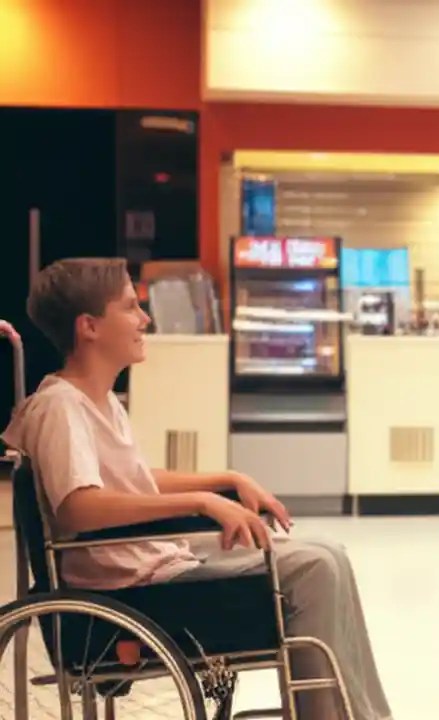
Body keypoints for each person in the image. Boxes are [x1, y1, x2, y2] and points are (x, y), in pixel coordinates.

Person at [0, 258, 393, 720]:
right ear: (89, 326)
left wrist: (226, 480)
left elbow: (136, 479)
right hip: (130, 589)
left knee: (329, 553)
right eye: (130, 307)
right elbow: (79, 509)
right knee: (312, 567)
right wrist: (203, 503)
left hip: (151, 570)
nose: (145, 318)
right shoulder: (61, 407)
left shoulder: (97, 400)